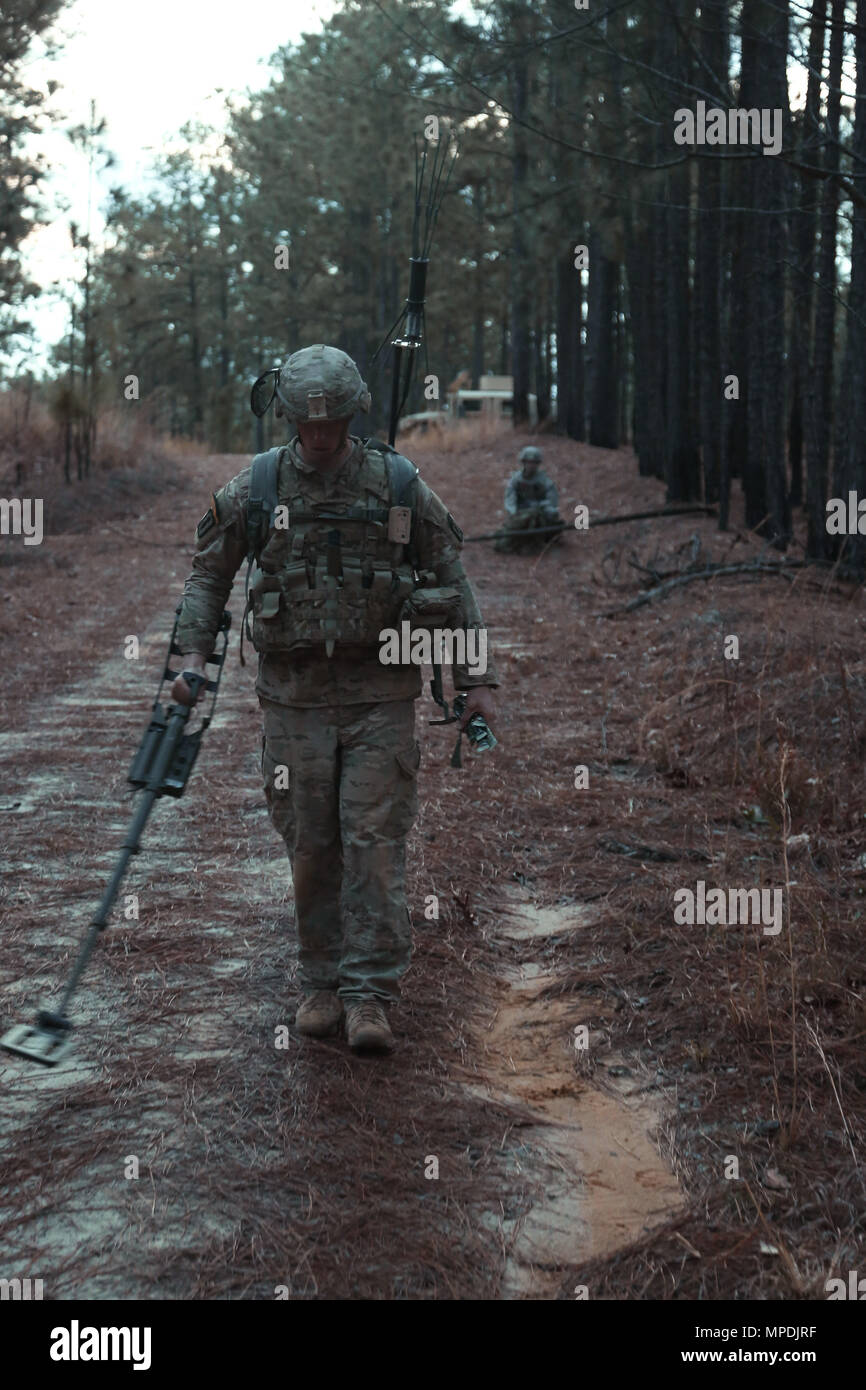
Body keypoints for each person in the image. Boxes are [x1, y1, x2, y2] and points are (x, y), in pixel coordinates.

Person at [170, 344, 498, 1056]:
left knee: (374, 844)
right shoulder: (256, 488)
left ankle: (370, 993)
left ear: (352, 416)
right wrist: (191, 657)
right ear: (286, 418)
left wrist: (477, 682)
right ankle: (320, 981)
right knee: (312, 842)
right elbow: (206, 577)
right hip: (292, 700)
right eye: (308, 426)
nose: (320, 439)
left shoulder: (400, 483)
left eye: (333, 425)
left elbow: (452, 572)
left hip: (382, 695)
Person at [494, 445, 563, 553]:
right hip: (522, 513)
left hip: (540, 514)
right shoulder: (516, 480)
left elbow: (552, 502)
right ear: (524, 462)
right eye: (529, 462)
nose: (531, 465)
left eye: (534, 462)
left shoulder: (544, 481)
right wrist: (514, 512)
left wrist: (541, 507)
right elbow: (510, 499)